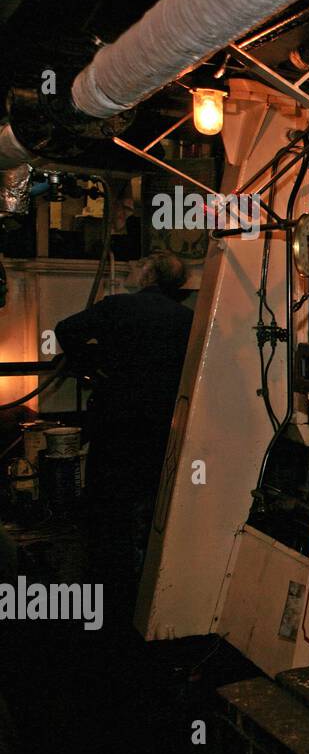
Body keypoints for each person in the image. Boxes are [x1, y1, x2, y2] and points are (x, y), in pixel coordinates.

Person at [54, 250, 193, 624]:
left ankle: (104, 589)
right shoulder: (188, 319)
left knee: (108, 502)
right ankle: (145, 583)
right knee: (151, 498)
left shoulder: (117, 307)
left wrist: (93, 367)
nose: (133, 268)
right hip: (163, 422)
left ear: (148, 275)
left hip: (115, 419)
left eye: (138, 264)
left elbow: (65, 330)